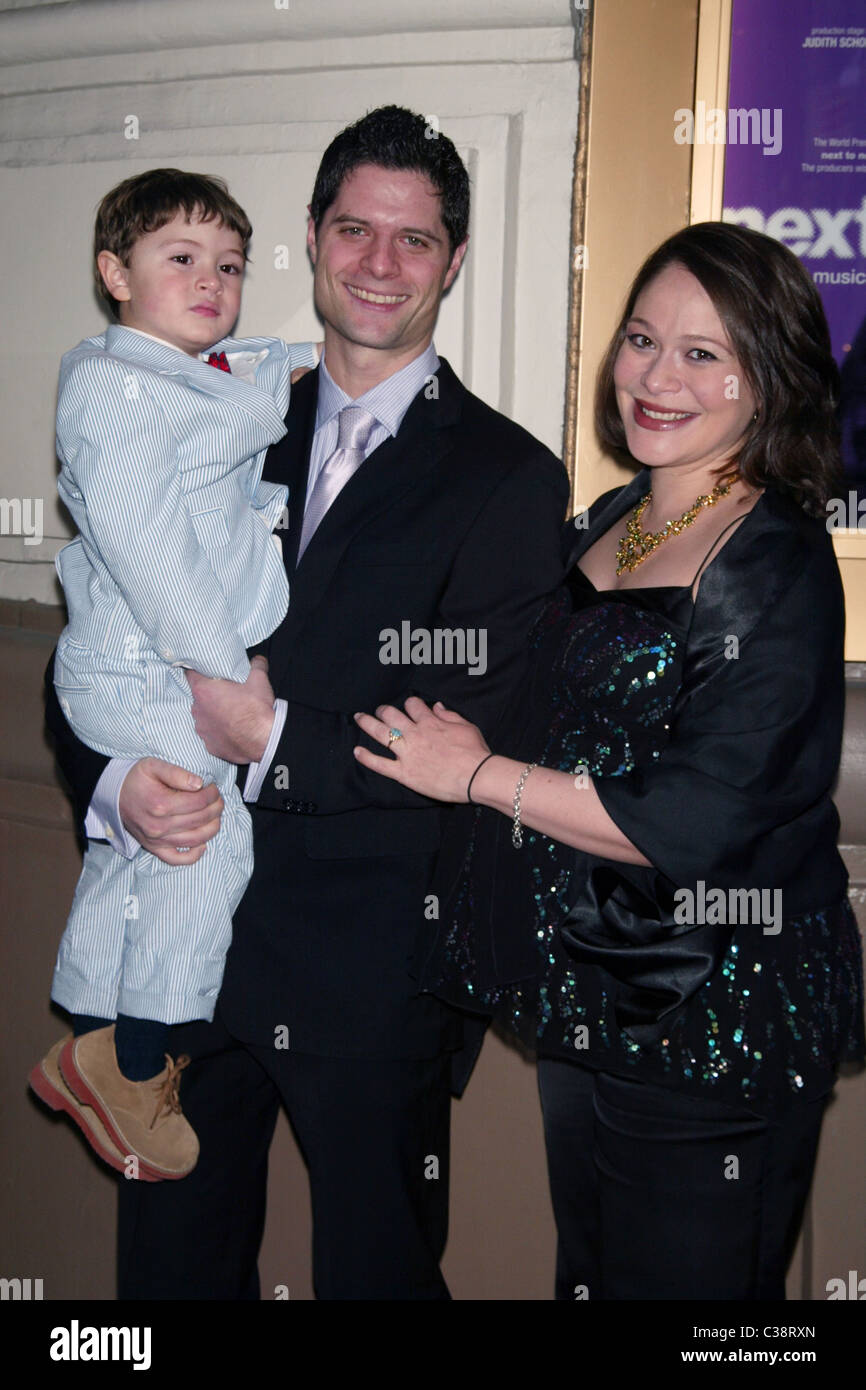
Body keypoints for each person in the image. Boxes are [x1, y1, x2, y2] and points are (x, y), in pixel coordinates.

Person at [44, 106, 569, 1298]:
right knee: (167, 1283)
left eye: (415, 240)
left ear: (453, 260)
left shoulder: (505, 479)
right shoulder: (208, 406)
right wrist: (120, 784)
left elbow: (471, 728)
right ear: (315, 237)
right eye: (354, 229)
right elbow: (94, 643)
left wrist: (267, 739)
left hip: (371, 976)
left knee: (379, 1279)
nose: (380, 264)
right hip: (186, 956)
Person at [354, 222, 866, 1300]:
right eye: (641, 338)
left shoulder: (772, 561)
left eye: (701, 354)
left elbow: (698, 817)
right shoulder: (621, 517)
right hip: (596, 982)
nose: (654, 376)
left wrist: (475, 774)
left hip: (714, 1004)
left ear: (769, 383)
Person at [31, 168, 316, 1181]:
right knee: (207, 849)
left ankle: (99, 1041)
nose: (211, 280)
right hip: (158, 663)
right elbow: (150, 551)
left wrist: (285, 365)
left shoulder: (187, 377)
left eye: (230, 265)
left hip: (152, 666)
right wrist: (224, 664)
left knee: (144, 862)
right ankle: (138, 1063)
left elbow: (245, 389)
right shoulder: (114, 388)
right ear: (115, 273)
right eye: (180, 259)